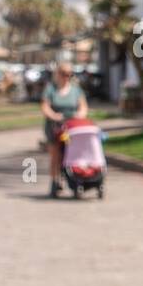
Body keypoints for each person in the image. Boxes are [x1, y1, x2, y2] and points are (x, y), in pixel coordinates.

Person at [40, 61, 88, 197]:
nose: (66, 76)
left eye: (69, 74)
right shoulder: (51, 88)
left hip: (72, 126)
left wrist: (80, 115)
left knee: (73, 154)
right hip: (55, 127)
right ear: (57, 74)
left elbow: (83, 107)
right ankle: (55, 182)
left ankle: (76, 180)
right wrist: (54, 116)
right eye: (63, 73)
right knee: (56, 155)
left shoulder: (76, 89)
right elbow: (45, 106)